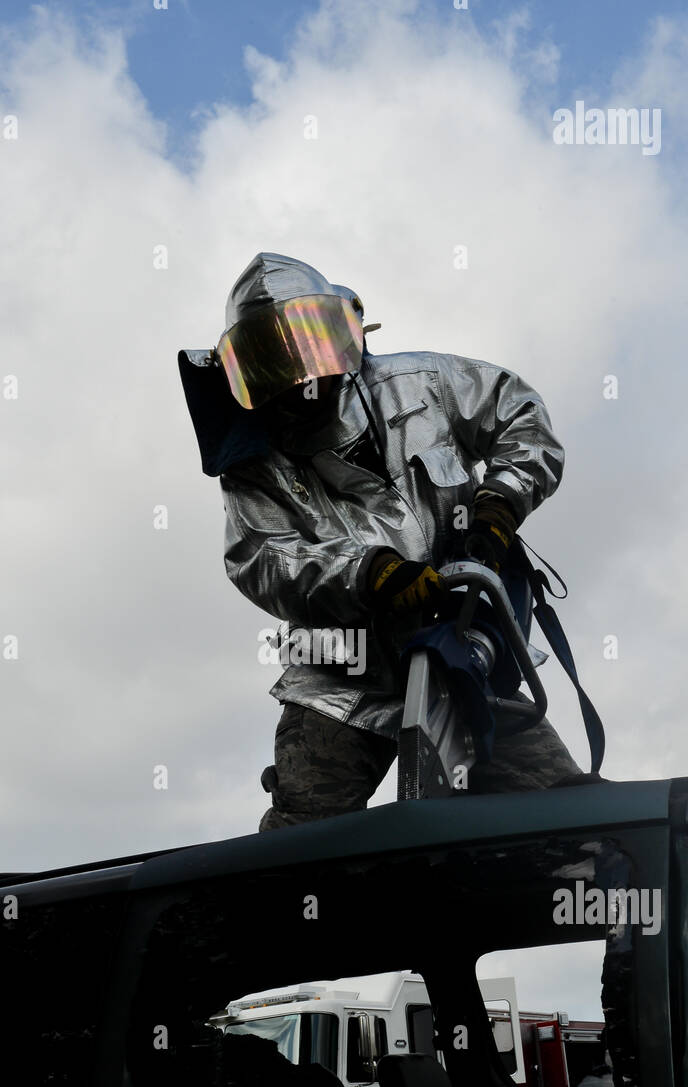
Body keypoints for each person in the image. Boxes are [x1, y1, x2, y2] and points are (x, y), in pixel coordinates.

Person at [179, 252, 597, 832]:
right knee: (298, 851)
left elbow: (521, 417)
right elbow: (260, 558)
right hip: (338, 676)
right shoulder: (251, 463)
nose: (297, 375)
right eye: (272, 361)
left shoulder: (425, 385)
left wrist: (499, 504)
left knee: (574, 825)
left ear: (340, 334)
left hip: (460, 654)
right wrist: (367, 575)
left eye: (305, 348)